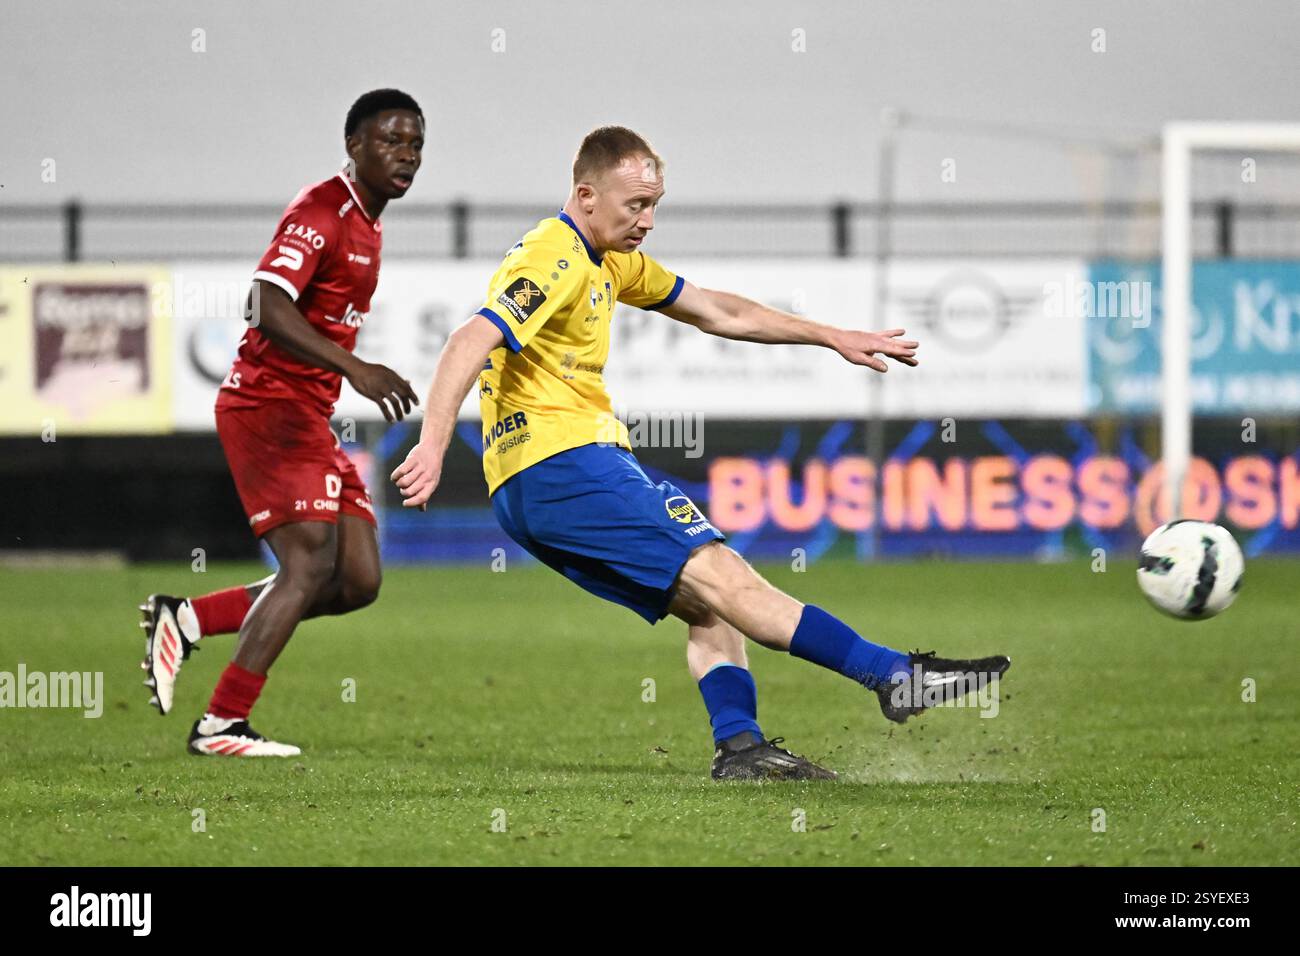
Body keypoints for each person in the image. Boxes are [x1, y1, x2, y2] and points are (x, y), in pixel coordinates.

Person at [392, 126, 1010, 780]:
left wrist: (828, 335)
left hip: (532, 488)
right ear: (586, 195)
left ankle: (740, 748)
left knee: (704, 601)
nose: (648, 220)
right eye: (635, 206)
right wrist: (433, 443)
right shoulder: (556, 256)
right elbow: (469, 338)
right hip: (566, 465)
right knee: (725, 576)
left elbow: (718, 311)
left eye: (655, 204)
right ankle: (892, 674)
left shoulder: (608, 259)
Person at [137, 89, 425, 757]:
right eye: (390, 140)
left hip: (306, 415)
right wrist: (354, 367)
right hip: (268, 407)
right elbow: (263, 303)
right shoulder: (323, 210)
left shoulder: (369, 223)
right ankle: (221, 725)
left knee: (357, 581)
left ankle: (185, 618)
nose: (405, 154)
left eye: (414, 144)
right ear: (353, 146)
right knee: (307, 563)